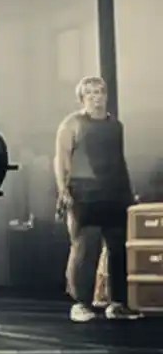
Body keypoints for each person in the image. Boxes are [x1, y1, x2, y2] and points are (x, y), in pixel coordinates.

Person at [54, 75, 142, 322]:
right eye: (90, 93)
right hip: (84, 195)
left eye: (100, 92)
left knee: (118, 250)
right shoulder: (72, 124)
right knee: (85, 249)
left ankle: (118, 304)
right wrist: (63, 190)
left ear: (106, 96)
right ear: (82, 98)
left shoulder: (116, 125)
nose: (96, 97)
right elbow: (61, 159)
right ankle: (80, 304)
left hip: (115, 194)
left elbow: (118, 160)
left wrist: (128, 192)